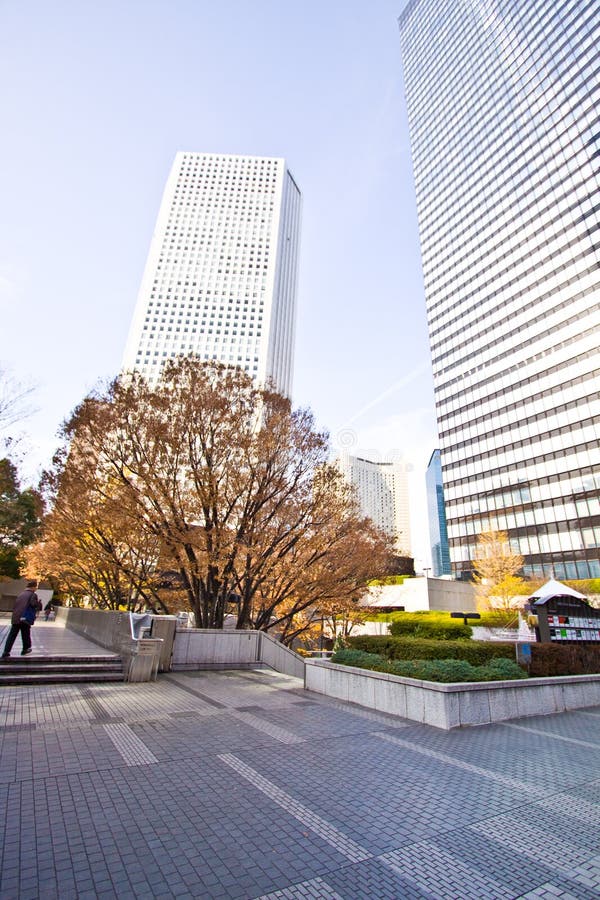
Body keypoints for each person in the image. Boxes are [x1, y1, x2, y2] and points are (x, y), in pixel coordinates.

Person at [2, 580, 42, 658]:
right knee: (26, 633)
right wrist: (39, 604)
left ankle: (6, 651)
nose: (36, 589)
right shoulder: (32, 595)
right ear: (33, 587)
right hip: (24, 618)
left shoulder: (21, 594)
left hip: (16, 617)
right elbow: (33, 604)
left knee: (12, 635)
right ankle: (26, 649)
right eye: (36, 587)